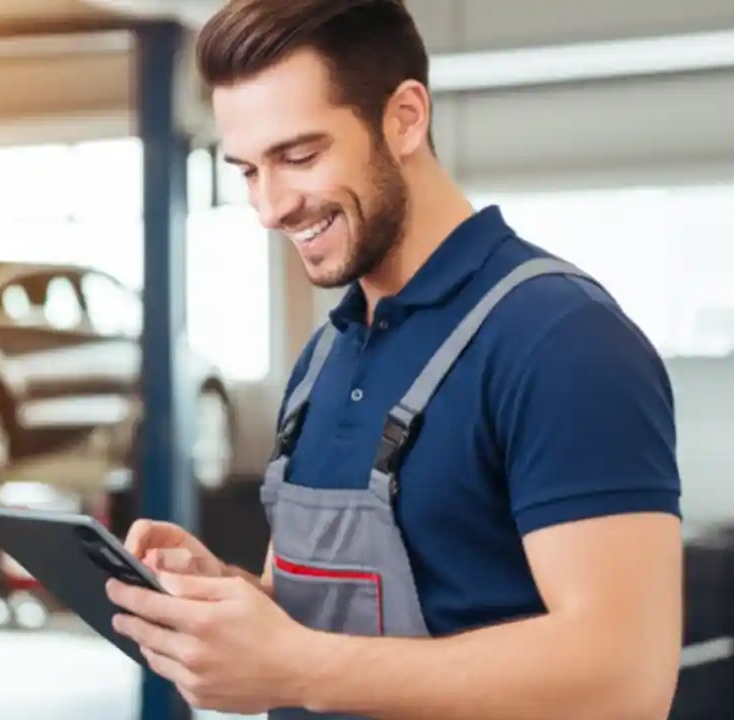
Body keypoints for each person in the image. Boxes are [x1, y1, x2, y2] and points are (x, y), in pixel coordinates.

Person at [106, 0, 684, 718]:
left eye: (299, 156)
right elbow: (327, 629)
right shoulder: (326, 357)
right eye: (249, 170)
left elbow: (624, 679)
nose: (271, 206)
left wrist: (293, 668)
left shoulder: (561, 340)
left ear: (405, 117)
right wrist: (228, 600)